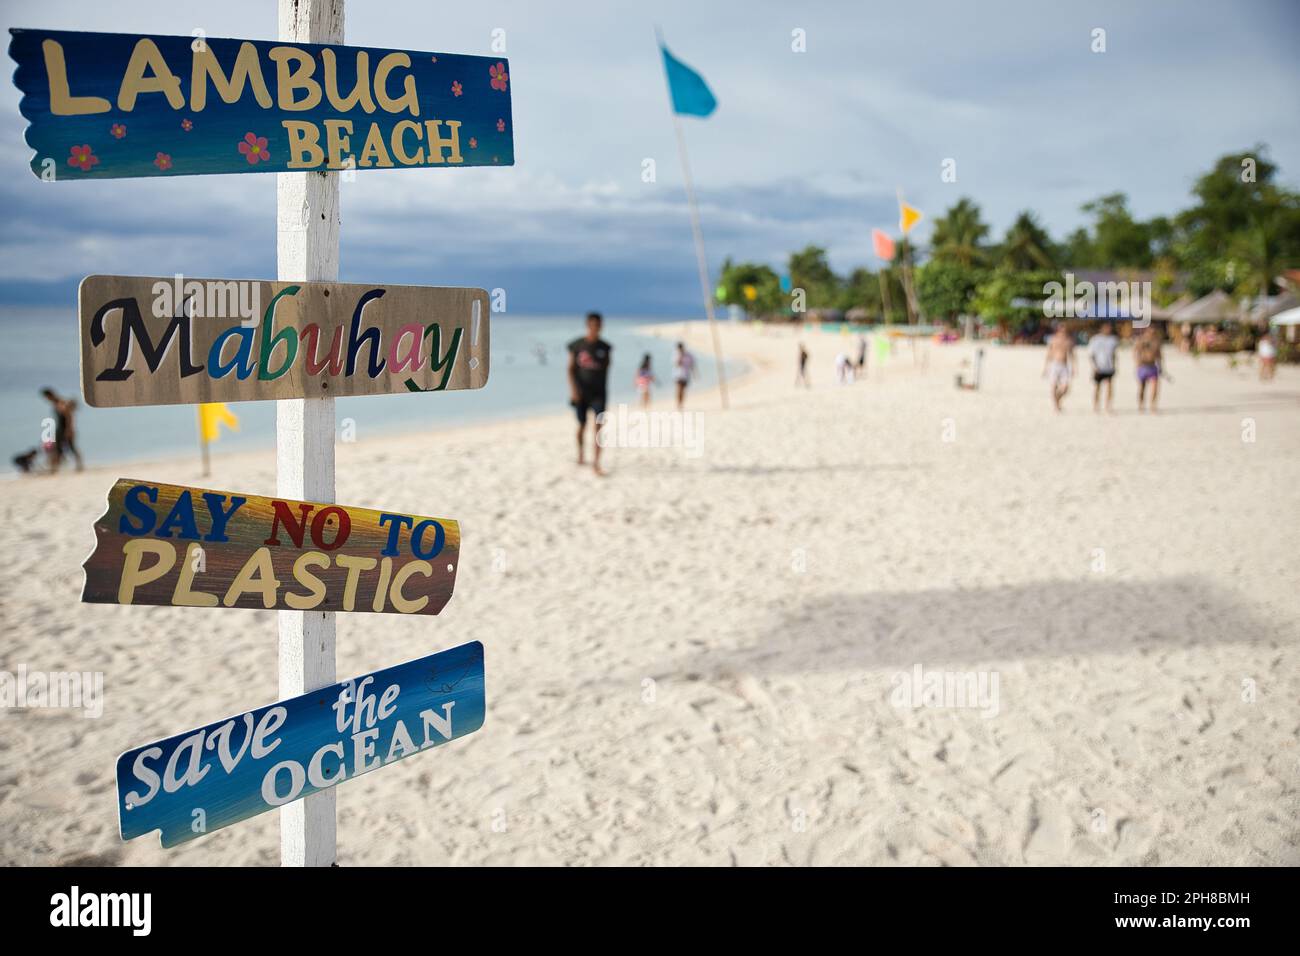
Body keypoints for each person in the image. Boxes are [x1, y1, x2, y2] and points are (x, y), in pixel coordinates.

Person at [567, 312, 612, 475]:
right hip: (581, 393)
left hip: (599, 394)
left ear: (601, 326)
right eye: (592, 324)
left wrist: (604, 393)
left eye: (598, 324)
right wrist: (573, 391)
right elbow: (570, 370)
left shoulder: (606, 348)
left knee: (599, 428)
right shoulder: (577, 345)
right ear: (588, 325)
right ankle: (580, 454)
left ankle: (596, 463)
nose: (595, 327)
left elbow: (606, 371)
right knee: (581, 425)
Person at [41, 388, 83, 472]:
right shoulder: (57, 403)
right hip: (60, 429)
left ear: (49, 395)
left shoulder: (60, 403)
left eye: (47, 397)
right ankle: (56, 467)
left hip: (64, 429)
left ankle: (79, 465)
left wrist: (69, 429)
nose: (47, 399)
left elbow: (69, 416)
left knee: (70, 447)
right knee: (58, 448)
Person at [1088, 321, 1119, 414]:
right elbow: (1091, 355)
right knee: (1097, 387)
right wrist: (1094, 366)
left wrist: (1115, 365)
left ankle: (1108, 406)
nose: (1108, 329)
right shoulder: (1095, 339)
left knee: (1110, 387)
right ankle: (1096, 405)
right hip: (1099, 367)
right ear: (1101, 328)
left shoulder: (1113, 340)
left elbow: (1114, 354)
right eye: (1106, 327)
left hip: (1109, 367)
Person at [1042, 326, 1074, 412]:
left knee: (1065, 387)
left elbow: (1072, 355)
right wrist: (1046, 367)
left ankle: (1057, 400)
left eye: (1064, 331)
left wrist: (1074, 367)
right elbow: (1049, 353)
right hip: (1054, 364)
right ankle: (1056, 406)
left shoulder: (1069, 341)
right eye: (1061, 331)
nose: (1063, 333)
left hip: (1064, 365)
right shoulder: (1053, 340)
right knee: (1054, 386)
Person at [1134, 326, 1164, 413]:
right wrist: (1137, 362)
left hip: (1152, 366)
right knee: (1142, 388)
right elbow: (1135, 351)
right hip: (1143, 366)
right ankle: (1141, 404)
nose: (1151, 333)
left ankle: (1153, 405)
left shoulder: (1156, 342)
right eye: (1150, 331)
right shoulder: (1141, 340)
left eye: (1153, 332)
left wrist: (1161, 367)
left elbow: (1159, 356)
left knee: (1155, 387)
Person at [672, 342, 696, 410]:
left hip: (686, 375)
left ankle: (681, 403)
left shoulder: (689, 355)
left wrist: (694, 373)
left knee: (683, 390)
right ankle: (678, 403)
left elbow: (692, 364)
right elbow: (677, 364)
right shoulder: (675, 355)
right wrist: (680, 356)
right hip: (678, 375)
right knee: (679, 389)